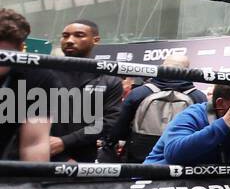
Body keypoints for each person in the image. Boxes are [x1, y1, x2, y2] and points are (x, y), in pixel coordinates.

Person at [105, 52, 208, 162]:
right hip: (180, 158)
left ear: (162, 67)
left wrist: (110, 143)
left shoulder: (139, 93)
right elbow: (205, 132)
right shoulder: (199, 97)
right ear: (188, 71)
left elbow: (119, 127)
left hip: (139, 157)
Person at [49, 20, 122, 163]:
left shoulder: (108, 79)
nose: (69, 40)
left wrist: (65, 142)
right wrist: (60, 155)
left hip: (84, 158)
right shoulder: (45, 73)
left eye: (79, 35)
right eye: (65, 36)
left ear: (95, 40)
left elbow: (110, 121)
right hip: (43, 154)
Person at [0, 8, 54, 162]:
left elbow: (34, 144)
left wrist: (33, 185)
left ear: (19, 50)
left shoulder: (36, 78)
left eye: (4, 54)